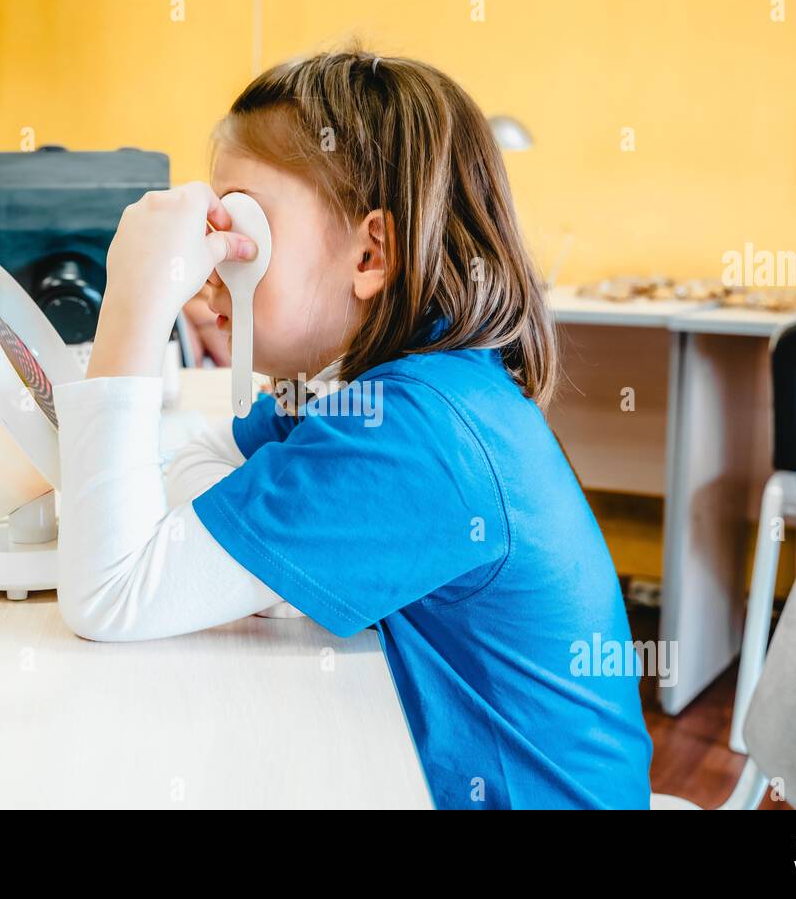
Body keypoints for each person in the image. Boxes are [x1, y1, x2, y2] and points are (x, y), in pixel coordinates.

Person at [54, 49, 652, 809]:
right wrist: (245, 560)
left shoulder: (413, 430)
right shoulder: (366, 385)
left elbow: (110, 594)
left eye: (241, 226)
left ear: (371, 251)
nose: (208, 265)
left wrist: (133, 300)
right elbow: (204, 451)